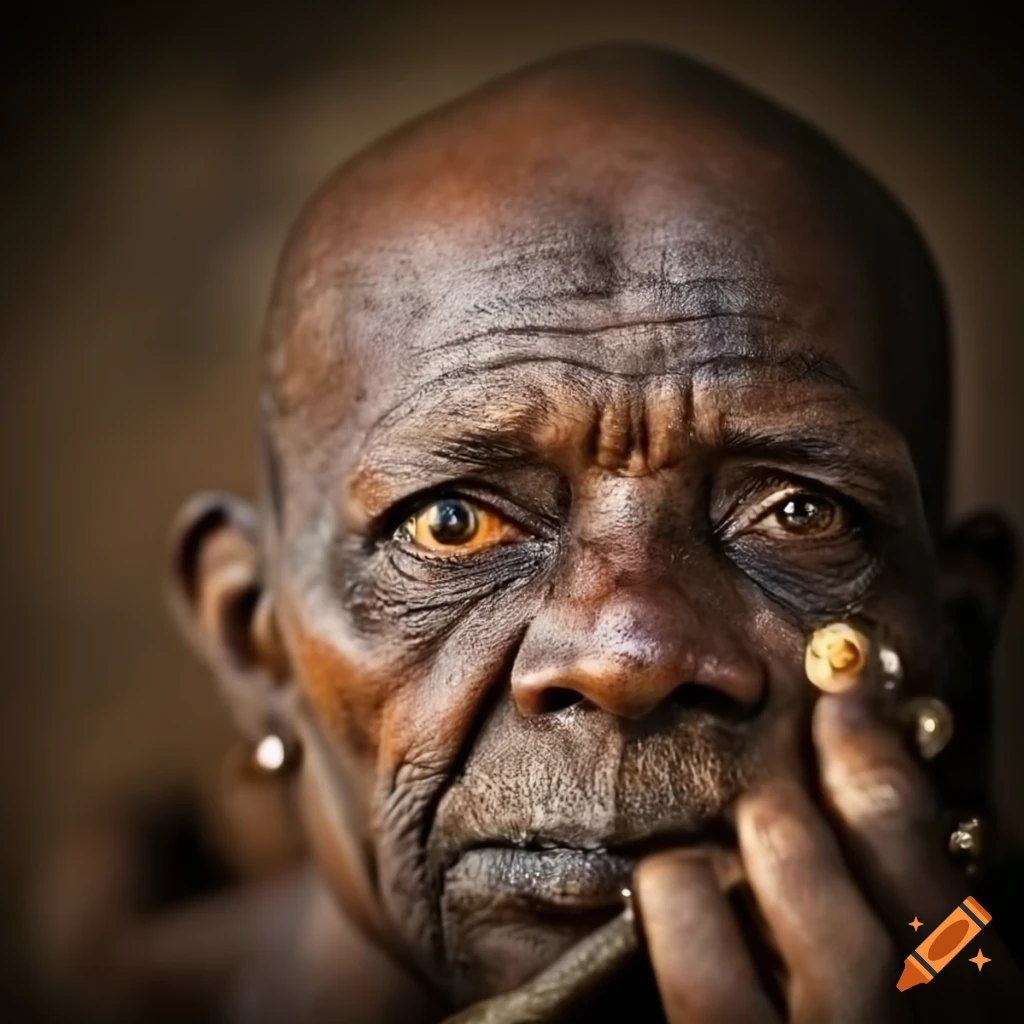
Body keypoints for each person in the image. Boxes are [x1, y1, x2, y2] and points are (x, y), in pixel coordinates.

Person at [40, 44, 1024, 1023]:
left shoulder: (981, 979)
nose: (625, 653)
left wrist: (960, 962)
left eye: (797, 512)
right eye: (454, 522)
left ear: (957, 641)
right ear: (253, 639)